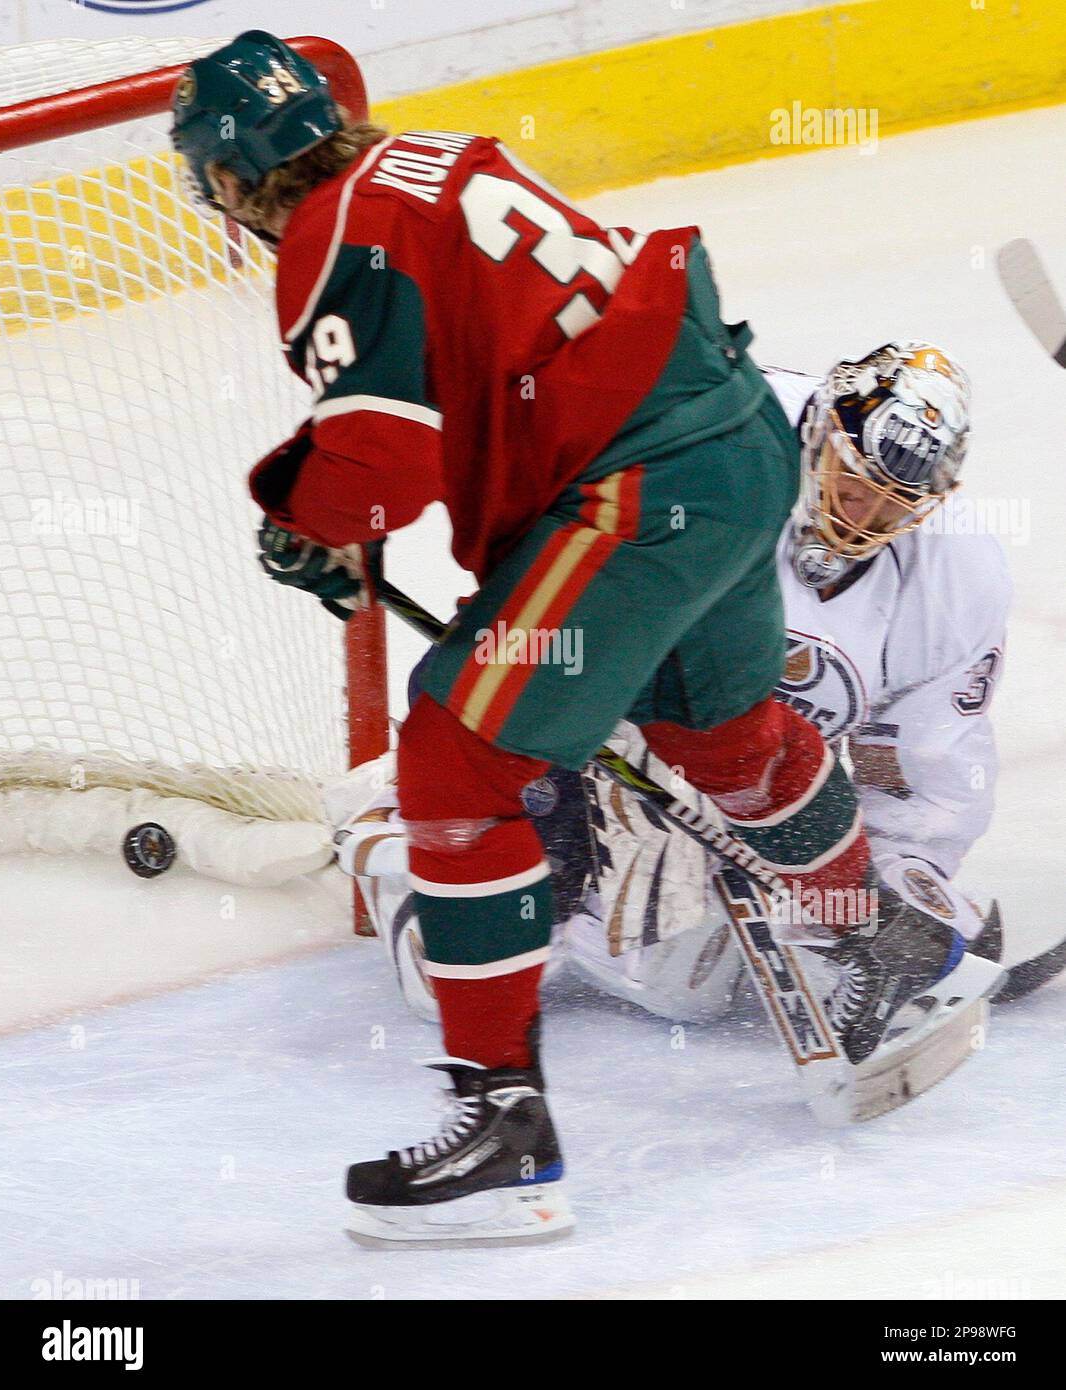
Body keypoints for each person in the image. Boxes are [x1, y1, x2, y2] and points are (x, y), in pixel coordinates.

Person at [171, 34, 1002, 1244]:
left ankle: (504, 1134)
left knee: (456, 760)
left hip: (638, 491)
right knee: (724, 736)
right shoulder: (427, 161)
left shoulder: (331, 234)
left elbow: (380, 456)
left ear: (235, 176)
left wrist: (304, 519)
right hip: (735, 442)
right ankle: (888, 952)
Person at [345, 343, 1034, 1026]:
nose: (861, 519)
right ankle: (412, 822)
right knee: (467, 970)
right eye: (852, 485)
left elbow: (917, 774)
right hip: (596, 716)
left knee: (687, 989)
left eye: (891, 508)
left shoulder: (958, 578)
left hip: (757, 778)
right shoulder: (706, 452)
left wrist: (893, 891)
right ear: (819, 432)